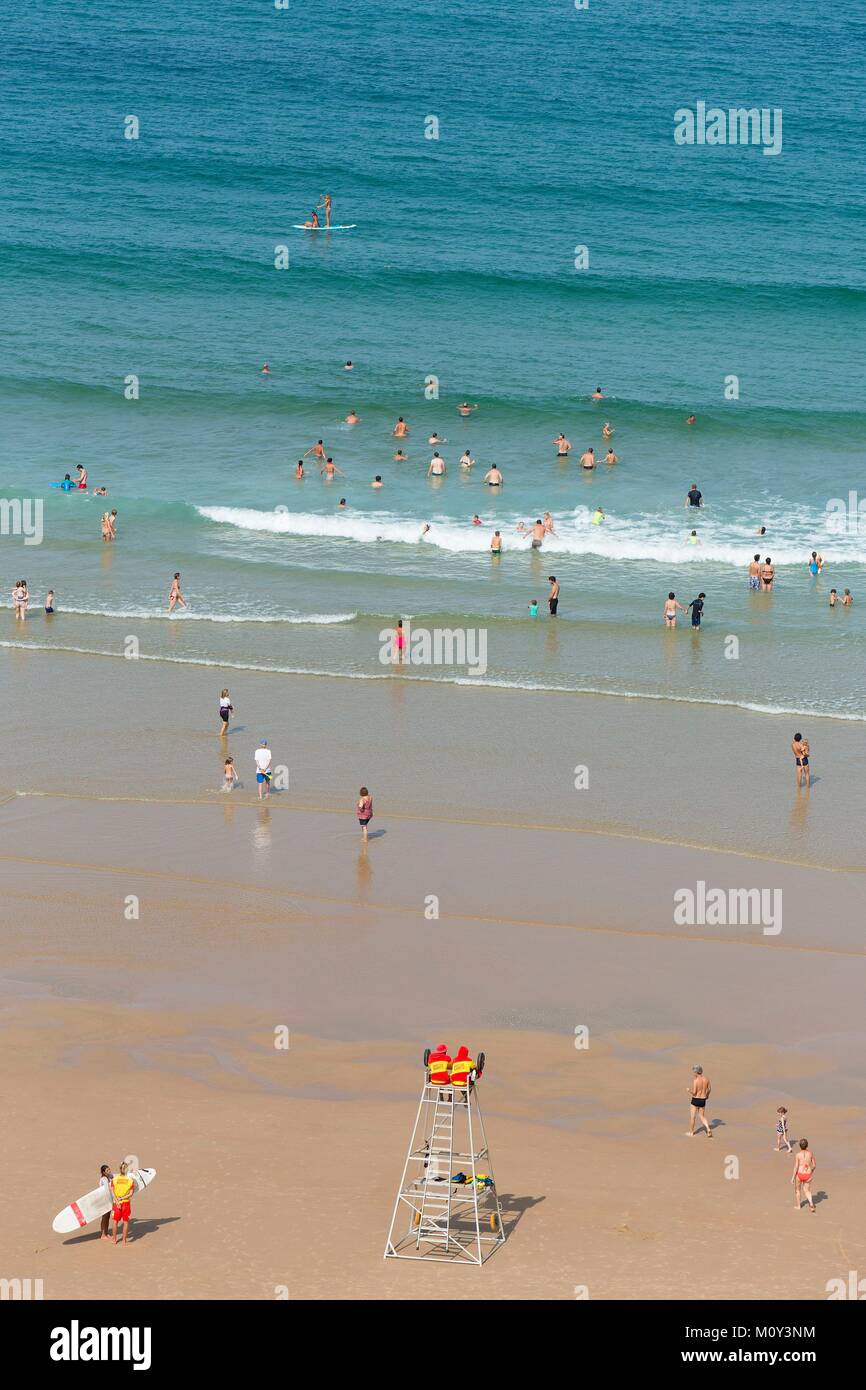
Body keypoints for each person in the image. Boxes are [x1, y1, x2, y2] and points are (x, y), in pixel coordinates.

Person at [110, 1161, 135, 1245]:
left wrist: (117, 1201)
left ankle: (114, 1239)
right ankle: (124, 1241)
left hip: (116, 1204)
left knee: (115, 1222)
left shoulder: (115, 1179)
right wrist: (122, 1198)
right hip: (126, 1203)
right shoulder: (130, 1180)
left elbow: (112, 1192)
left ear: (120, 1169)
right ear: (126, 1169)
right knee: (125, 1222)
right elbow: (130, 1194)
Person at [687, 1065, 712, 1138]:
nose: (693, 1073)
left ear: (696, 1072)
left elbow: (694, 1093)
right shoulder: (706, 1079)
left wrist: (689, 1091)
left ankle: (691, 1132)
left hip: (695, 1100)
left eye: (694, 1072)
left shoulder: (696, 1080)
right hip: (703, 1100)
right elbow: (709, 1088)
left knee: (693, 1117)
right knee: (702, 1116)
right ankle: (708, 1129)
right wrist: (707, 1095)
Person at [792, 1138, 816, 1212]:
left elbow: (796, 1166)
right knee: (807, 1191)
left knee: (797, 1190)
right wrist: (811, 1171)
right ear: (807, 1145)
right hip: (808, 1174)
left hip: (800, 1174)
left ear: (800, 1146)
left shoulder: (798, 1155)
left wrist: (793, 1177)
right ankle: (811, 1203)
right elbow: (814, 1165)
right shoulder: (810, 1153)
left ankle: (799, 1206)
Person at [98, 1164, 113, 1241]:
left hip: (108, 1199)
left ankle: (106, 1233)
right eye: (107, 1170)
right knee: (104, 1218)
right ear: (103, 1172)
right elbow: (107, 1191)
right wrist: (111, 1203)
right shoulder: (104, 1179)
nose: (109, 1171)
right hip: (105, 1200)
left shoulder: (109, 1177)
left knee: (107, 1217)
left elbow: (116, 1175)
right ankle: (103, 1234)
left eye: (109, 1169)